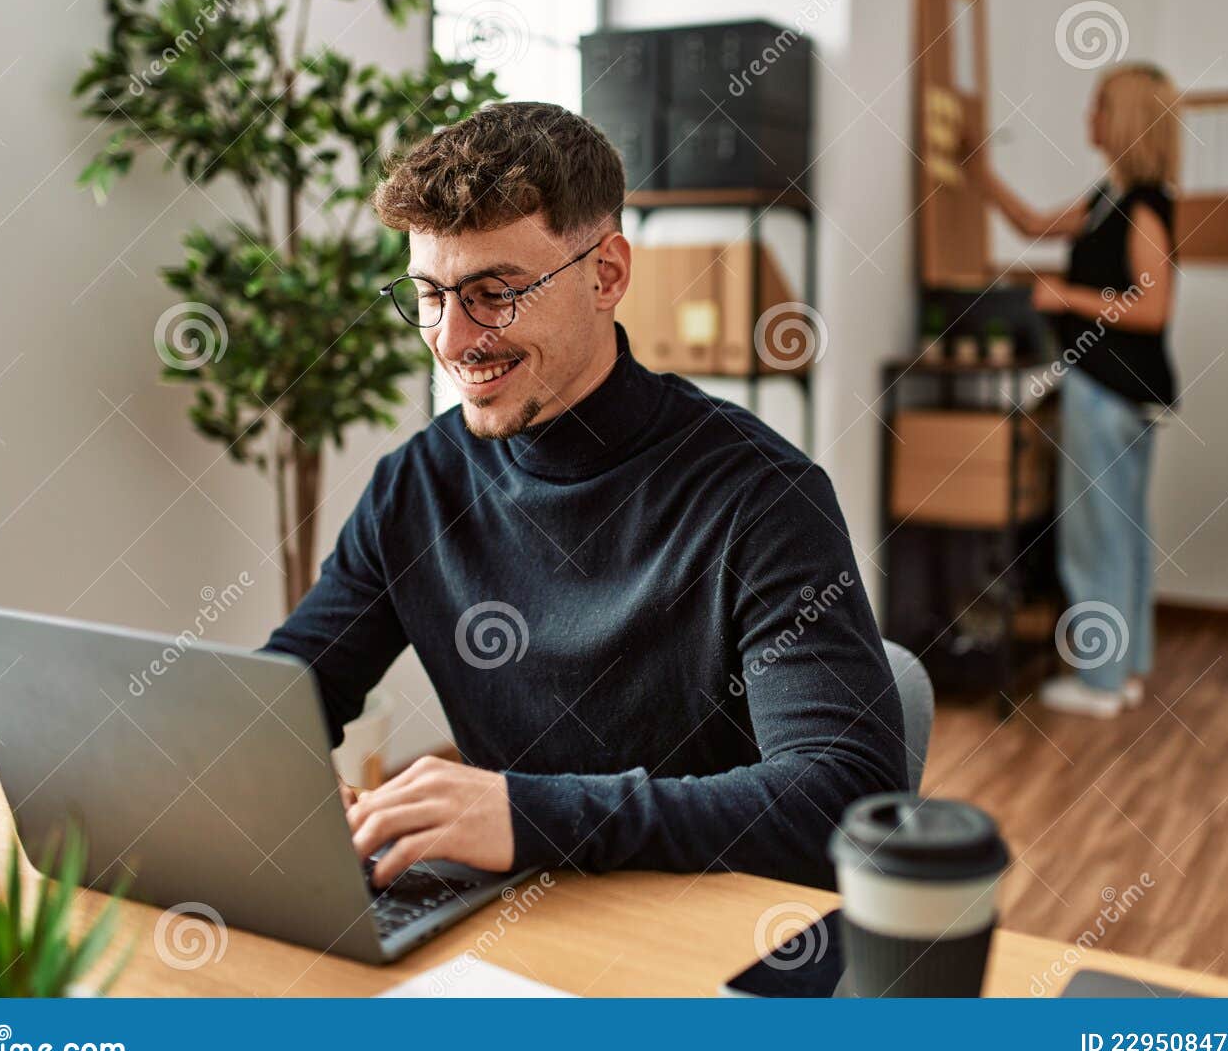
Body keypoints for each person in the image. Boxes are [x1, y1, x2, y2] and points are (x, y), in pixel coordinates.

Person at [265, 101, 905, 889]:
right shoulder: (417, 486)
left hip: (713, 945)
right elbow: (283, 695)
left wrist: (530, 816)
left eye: (493, 292)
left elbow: (848, 800)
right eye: (430, 295)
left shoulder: (763, 496)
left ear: (606, 274)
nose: (452, 341)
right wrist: (278, 779)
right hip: (518, 917)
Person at [972, 62, 1181, 719]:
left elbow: (1152, 308)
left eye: (1098, 107)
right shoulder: (1107, 199)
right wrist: (976, 171)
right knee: (1122, 534)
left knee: (1095, 538)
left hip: (1108, 391)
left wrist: (1066, 295)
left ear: (1123, 120)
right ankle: (1122, 672)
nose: (1087, 118)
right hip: (1123, 393)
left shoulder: (1143, 207)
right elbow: (1034, 224)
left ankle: (1097, 681)